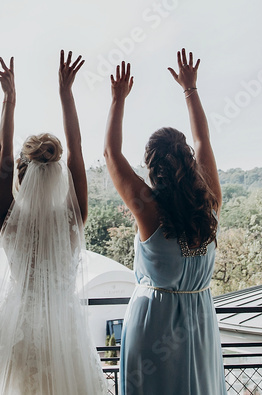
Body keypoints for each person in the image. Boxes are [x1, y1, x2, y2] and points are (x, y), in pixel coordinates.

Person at [0, 52, 105, 395]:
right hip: (63, 332)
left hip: (15, 331)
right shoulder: (73, 220)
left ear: (20, 177)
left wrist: (9, 98)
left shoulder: (8, 221)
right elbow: (77, 149)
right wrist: (66, 92)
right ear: (58, 173)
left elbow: (3, 152)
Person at [104, 51, 224, 394]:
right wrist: (190, 89)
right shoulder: (209, 204)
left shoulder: (149, 211)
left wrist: (117, 99)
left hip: (153, 325)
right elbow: (203, 141)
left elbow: (111, 153)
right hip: (200, 322)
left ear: (151, 166)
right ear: (188, 160)